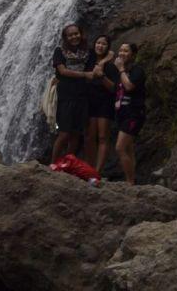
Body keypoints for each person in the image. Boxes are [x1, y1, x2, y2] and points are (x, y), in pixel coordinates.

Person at [51, 23, 96, 163]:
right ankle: (52, 164)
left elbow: (92, 71)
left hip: (82, 96)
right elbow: (62, 71)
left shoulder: (89, 52)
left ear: (81, 34)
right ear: (65, 38)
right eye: (70, 35)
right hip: (66, 96)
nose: (74, 37)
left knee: (76, 133)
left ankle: (66, 164)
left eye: (76, 33)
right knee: (64, 133)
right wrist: (84, 75)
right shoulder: (60, 51)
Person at [113, 42, 146, 185]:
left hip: (134, 114)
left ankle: (129, 181)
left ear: (133, 54)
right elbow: (115, 89)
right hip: (122, 113)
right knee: (128, 148)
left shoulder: (137, 71)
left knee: (120, 148)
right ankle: (132, 181)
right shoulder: (121, 72)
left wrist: (121, 69)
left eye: (126, 51)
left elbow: (129, 86)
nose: (122, 53)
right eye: (120, 50)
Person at [84, 34, 117, 173]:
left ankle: (97, 172)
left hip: (105, 103)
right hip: (90, 102)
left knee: (103, 137)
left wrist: (102, 75)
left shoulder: (111, 66)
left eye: (104, 44)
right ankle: (89, 169)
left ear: (108, 47)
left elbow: (114, 88)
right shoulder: (88, 60)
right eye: (98, 43)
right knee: (89, 137)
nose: (100, 46)